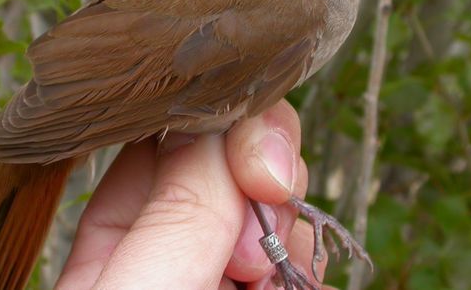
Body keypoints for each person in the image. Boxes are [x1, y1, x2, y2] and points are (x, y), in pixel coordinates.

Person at [56, 101, 330, 289]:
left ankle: (280, 256)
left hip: (209, 132)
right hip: (204, 129)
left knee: (256, 175)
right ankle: (280, 256)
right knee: (253, 171)